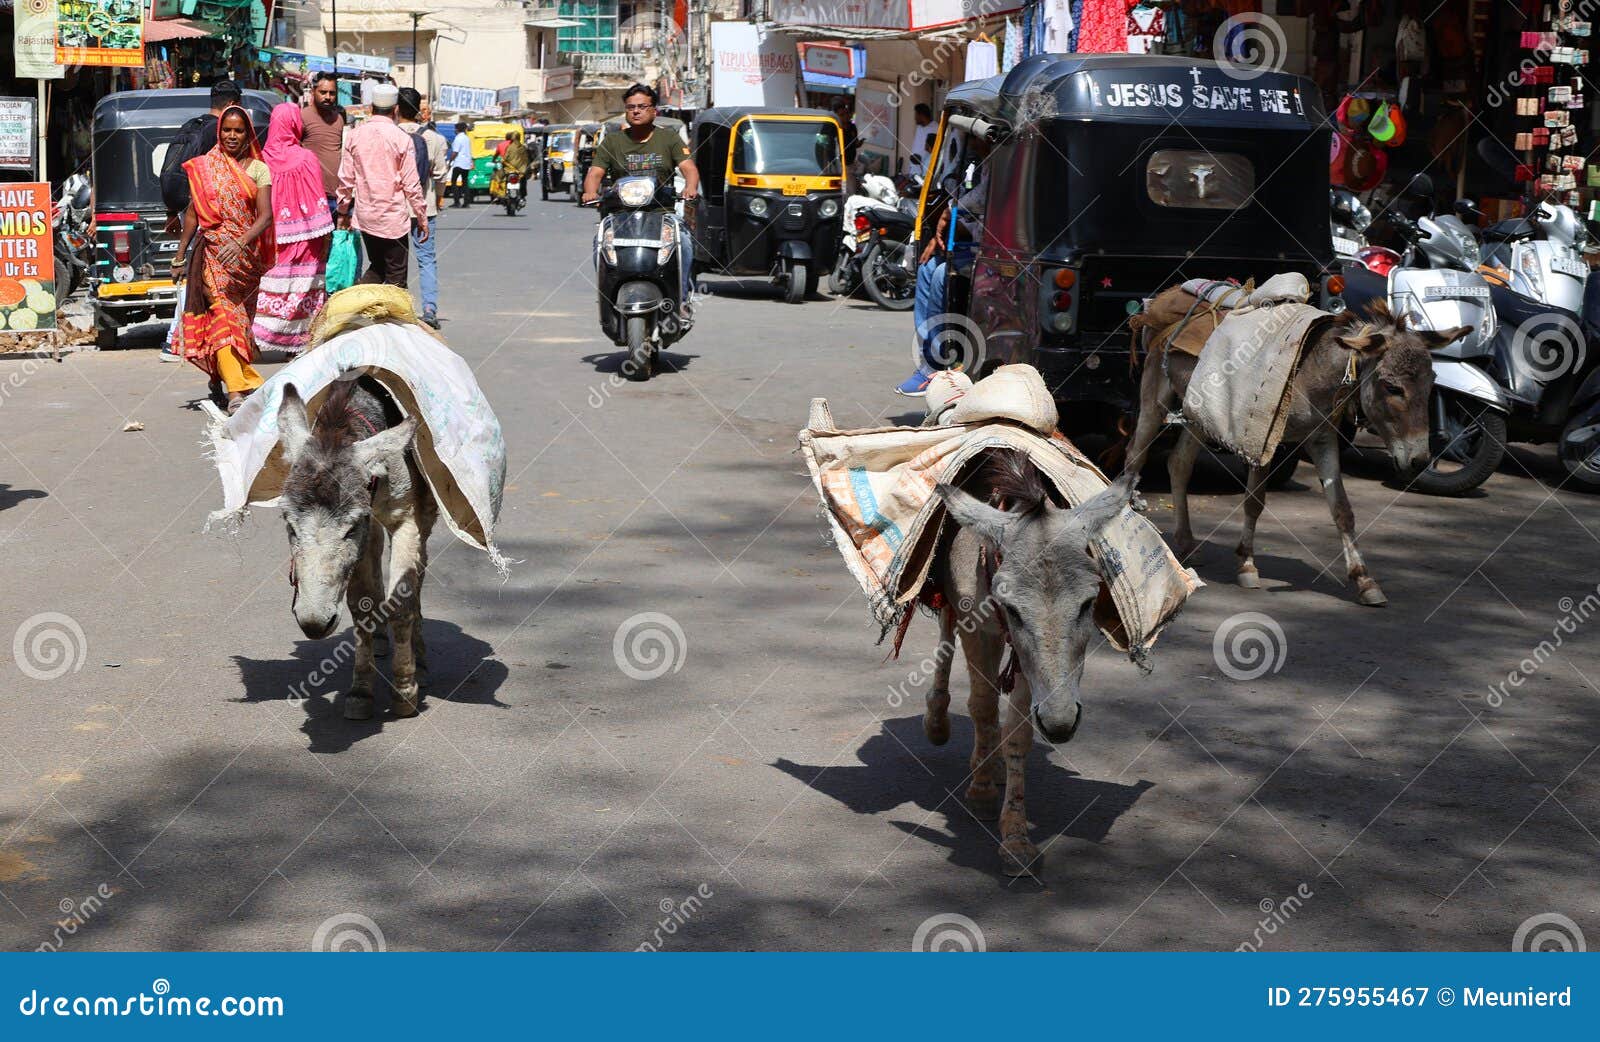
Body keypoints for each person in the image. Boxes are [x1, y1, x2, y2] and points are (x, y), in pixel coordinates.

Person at [171, 105, 275, 415]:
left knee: (239, 326)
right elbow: (192, 213)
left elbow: (266, 216)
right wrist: (180, 256)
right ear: (219, 132)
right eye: (227, 130)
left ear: (248, 135)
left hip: (245, 261)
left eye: (238, 131)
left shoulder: (258, 169)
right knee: (226, 319)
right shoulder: (206, 167)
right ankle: (237, 393)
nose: (232, 135)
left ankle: (222, 376)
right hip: (212, 256)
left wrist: (242, 241)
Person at [582, 84, 700, 306]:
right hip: (620, 216)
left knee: (684, 243)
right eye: (630, 107)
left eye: (642, 106)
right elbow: (595, 173)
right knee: (600, 245)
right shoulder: (612, 141)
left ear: (654, 110)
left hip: (661, 214)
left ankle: (682, 300)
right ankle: (607, 299)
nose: (636, 111)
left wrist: (690, 187)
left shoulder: (669, 139)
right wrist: (590, 191)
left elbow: (689, 169)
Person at [894, 135, 990, 396]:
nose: (975, 144)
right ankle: (929, 361)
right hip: (969, 241)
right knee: (927, 269)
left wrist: (952, 211)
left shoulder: (1000, 162)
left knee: (940, 276)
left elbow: (981, 199)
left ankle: (939, 361)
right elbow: (956, 187)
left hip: (990, 250)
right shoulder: (974, 162)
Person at [159, 79, 241, 363]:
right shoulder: (215, 133)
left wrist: (172, 211)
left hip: (186, 208)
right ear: (233, 105)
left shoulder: (191, 126)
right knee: (197, 278)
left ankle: (189, 337)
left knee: (198, 277)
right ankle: (175, 340)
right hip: (205, 213)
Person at [252, 103, 334, 356]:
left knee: (271, 287)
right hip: (308, 239)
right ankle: (295, 344)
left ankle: (259, 339)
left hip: (271, 239)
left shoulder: (259, 161)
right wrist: (327, 238)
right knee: (303, 288)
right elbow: (318, 198)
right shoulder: (307, 158)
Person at [336, 82, 428, 288]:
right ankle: (390, 316)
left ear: (370, 108)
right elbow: (412, 185)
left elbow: (346, 180)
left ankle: (360, 305)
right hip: (393, 219)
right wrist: (421, 216)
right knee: (396, 276)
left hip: (366, 217)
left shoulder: (354, 135)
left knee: (377, 266)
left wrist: (343, 212)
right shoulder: (402, 139)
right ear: (395, 110)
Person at [398, 87, 448, 327]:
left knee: (395, 260)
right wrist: (439, 197)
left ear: (397, 108)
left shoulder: (388, 135)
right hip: (424, 209)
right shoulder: (435, 139)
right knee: (426, 259)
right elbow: (440, 175)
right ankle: (429, 309)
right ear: (420, 110)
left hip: (394, 208)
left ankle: (396, 309)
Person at [448, 120, 474, 208]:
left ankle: (456, 202)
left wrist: (450, 161)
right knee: (465, 183)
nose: (454, 130)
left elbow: (455, 152)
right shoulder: (466, 138)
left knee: (454, 182)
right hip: (466, 164)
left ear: (458, 129)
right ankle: (466, 202)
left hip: (458, 163)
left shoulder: (458, 138)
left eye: (455, 129)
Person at [502, 129, 531, 204]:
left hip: (510, 170)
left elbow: (505, 158)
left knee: (504, 179)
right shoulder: (523, 147)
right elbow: (527, 159)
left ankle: (504, 194)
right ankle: (523, 196)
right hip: (521, 170)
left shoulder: (509, 147)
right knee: (523, 181)